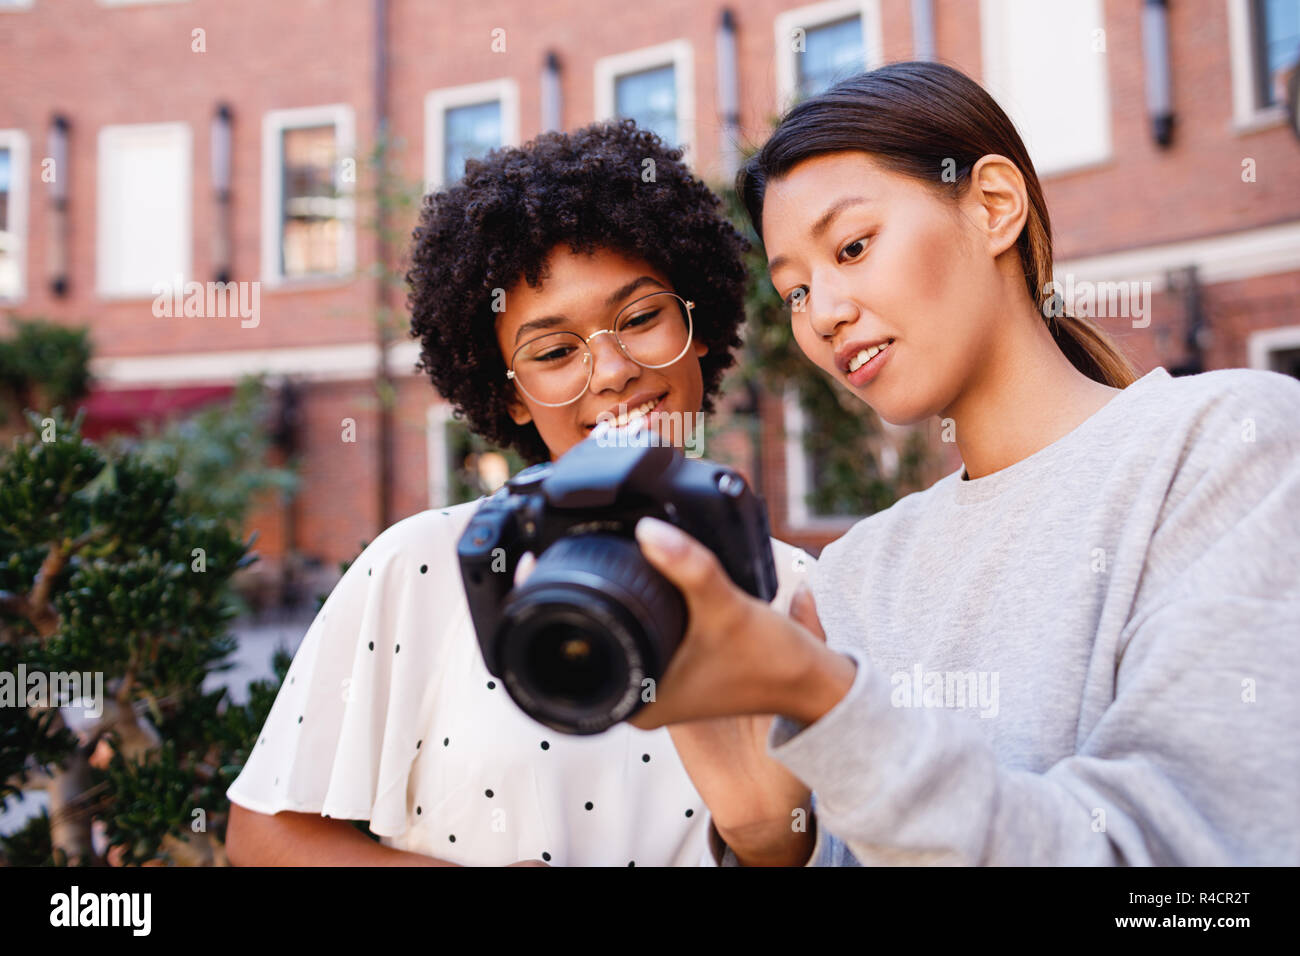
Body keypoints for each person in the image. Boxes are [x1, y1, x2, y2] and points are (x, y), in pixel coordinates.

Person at [625, 61, 1300, 866]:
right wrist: (775, 841)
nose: (826, 315)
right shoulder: (856, 575)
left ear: (992, 206)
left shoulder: (1221, 447)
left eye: (852, 246)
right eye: (796, 292)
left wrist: (835, 712)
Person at [223, 119, 812, 866]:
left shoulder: (803, 595)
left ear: (697, 327)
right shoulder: (423, 565)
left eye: (640, 318)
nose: (612, 371)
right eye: (555, 351)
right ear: (514, 398)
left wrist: (769, 835)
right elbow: (266, 835)